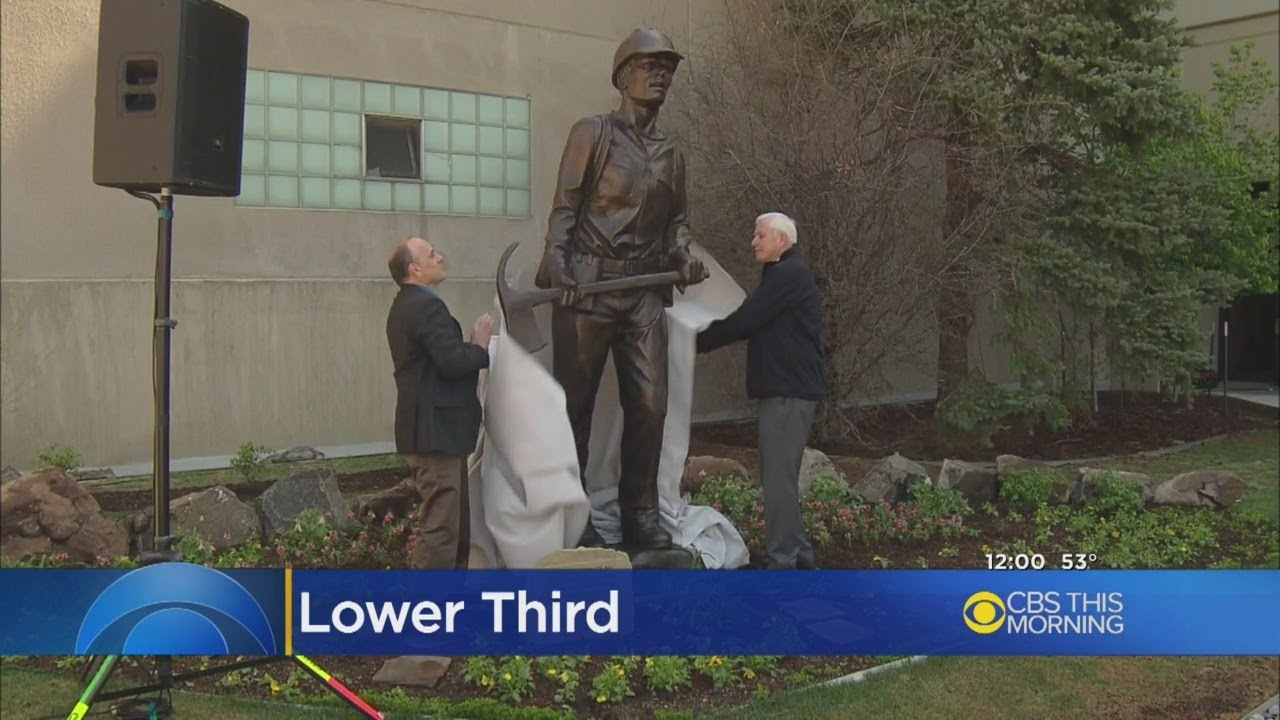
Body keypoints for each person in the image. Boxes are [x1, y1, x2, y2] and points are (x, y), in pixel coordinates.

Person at [535, 28, 709, 551]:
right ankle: (573, 513)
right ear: (621, 75)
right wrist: (557, 264)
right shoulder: (593, 132)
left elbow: (676, 221)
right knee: (575, 408)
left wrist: (681, 254)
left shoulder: (671, 152)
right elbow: (566, 205)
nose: (660, 75)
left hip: (643, 293)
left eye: (668, 69)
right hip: (588, 286)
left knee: (651, 404)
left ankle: (641, 515)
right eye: (649, 65)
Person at [695, 213, 826, 569]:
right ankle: (799, 554)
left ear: (782, 240)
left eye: (760, 235)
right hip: (788, 389)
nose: (753, 241)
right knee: (778, 476)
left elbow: (747, 318)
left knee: (777, 481)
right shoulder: (785, 273)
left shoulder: (788, 275)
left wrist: (695, 340)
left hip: (788, 391)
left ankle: (781, 561)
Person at [385, 236, 494, 569]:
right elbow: (450, 362)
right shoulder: (425, 305)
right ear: (415, 269)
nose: (440, 257)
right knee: (442, 528)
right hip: (435, 433)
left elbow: (436, 359)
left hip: (432, 432)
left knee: (454, 525)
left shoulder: (407, 305)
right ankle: (426, 609)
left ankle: (450, 606)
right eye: (432, 254)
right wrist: (479, 347)